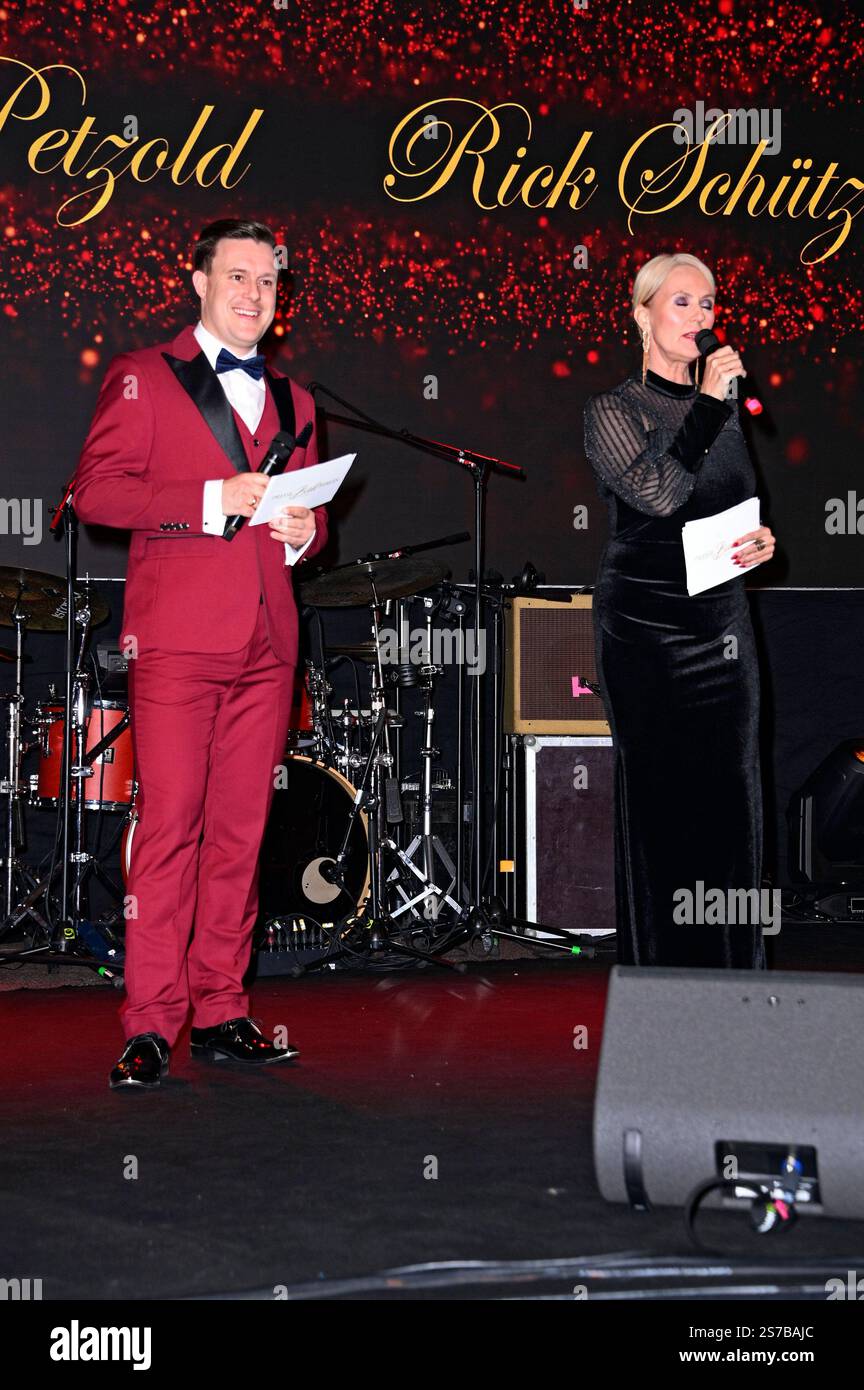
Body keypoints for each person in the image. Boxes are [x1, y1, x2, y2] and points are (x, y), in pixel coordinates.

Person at [74, 218, 328, 1087]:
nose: (255, 294)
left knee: (240, 834)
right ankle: (150, 1022)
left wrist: (303, 531)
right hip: (177, 641)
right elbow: (96, 493)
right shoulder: (144, 377)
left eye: (267, 281)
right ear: (198, 280)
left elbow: (307, 521)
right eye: (239, 276)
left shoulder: (297, 400)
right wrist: (211, 496)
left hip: (268, 641)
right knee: (170, 831)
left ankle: (221, 1009)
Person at [583, 252, 776, 968]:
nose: (700, 317)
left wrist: (757, 541)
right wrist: (704, 408)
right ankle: (666, 994)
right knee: (664, 814)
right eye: (682, 303)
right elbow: (657, 494)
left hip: (721, 627)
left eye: (708, 304)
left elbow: (722, 504)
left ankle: (735, 987)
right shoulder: (611, 410)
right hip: (645, 633)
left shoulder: (723, 412)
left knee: (733, 809)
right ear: (641, 315)